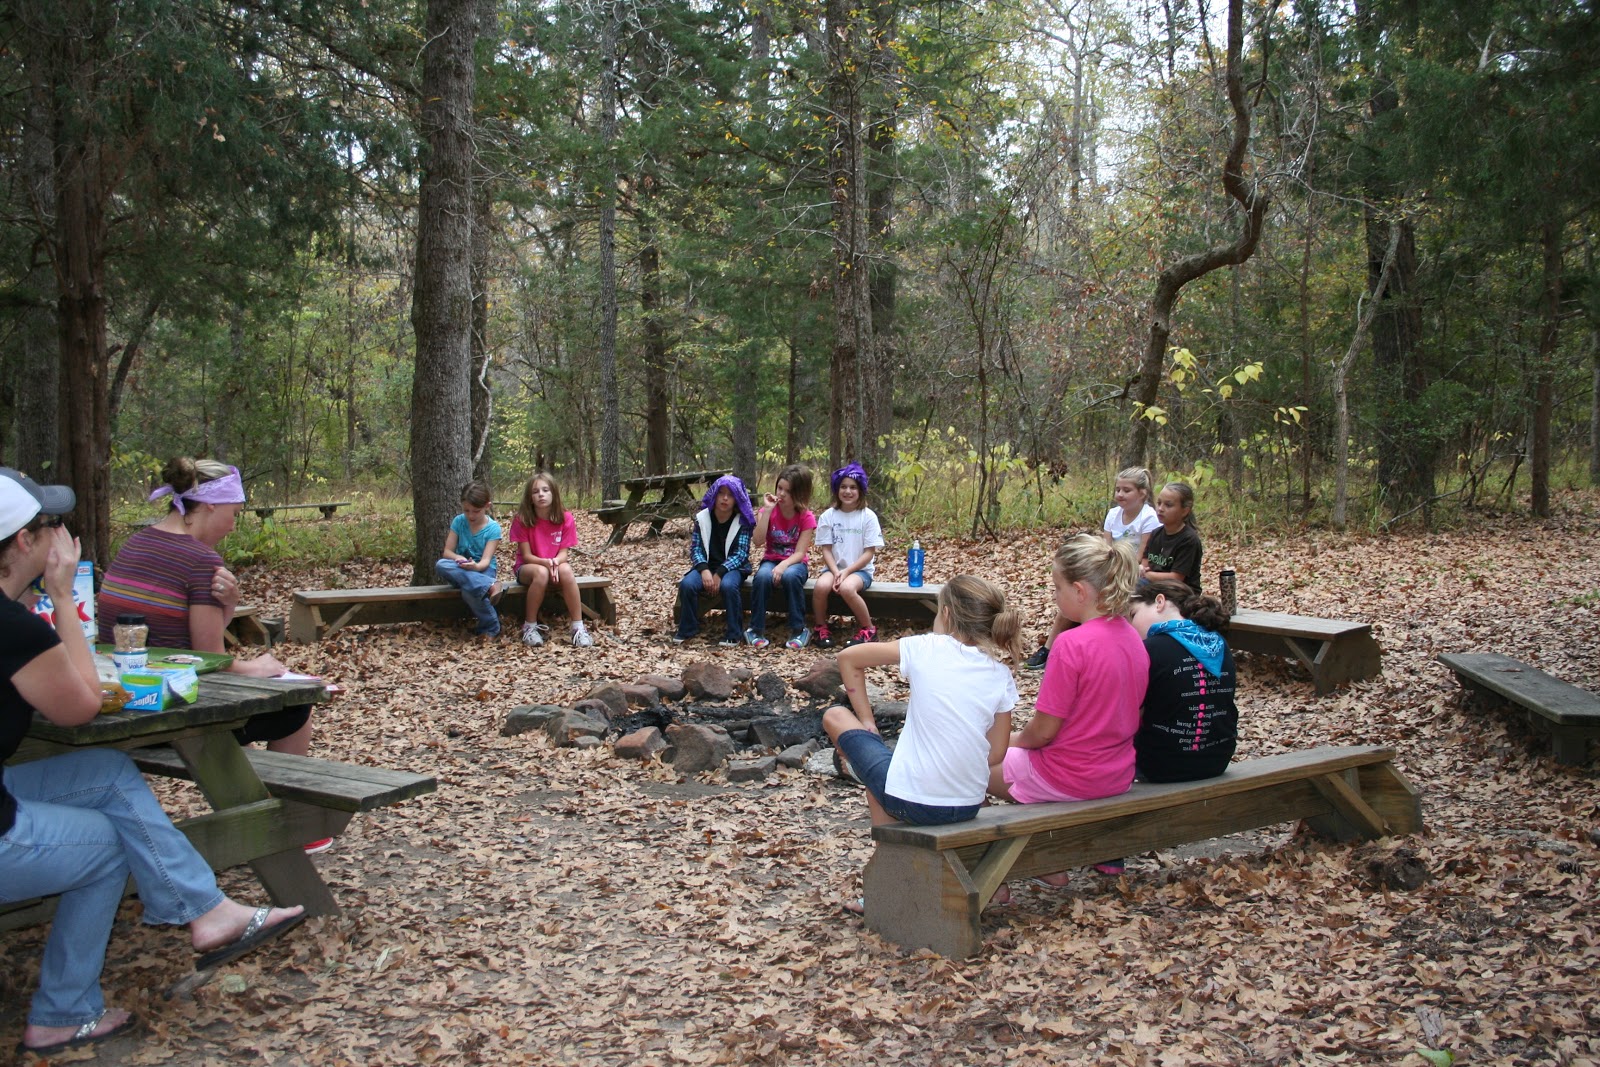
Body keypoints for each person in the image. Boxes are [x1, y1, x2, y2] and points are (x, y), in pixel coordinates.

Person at [0, 468, 304, 1057]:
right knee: (109, 843)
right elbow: (84, 705)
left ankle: (205, 909)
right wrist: (61, 597)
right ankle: (64, 1012)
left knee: (108, 771)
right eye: (48, 527)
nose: (60, 538)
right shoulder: (12, 629)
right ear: (22, 544)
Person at [825, 575, 1021, 913]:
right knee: (880, 784)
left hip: (911, 802)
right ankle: (986, 881)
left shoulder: (926, 647)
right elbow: (997, 754)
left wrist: (867, 721)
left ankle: (886, 889)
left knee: (834, 717)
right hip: (968, 804)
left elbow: (848, 658)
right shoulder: (1000, 674)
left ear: (945, 613)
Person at [98, 457, 311, 757]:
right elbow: (210, 662)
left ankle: (248, 794)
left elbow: (176, 637)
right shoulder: (201, 560)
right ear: (212, 504)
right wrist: (256, 668)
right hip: (164, 708)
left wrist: (229, 606)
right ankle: (293, 804)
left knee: (243, 733)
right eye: (234, 513)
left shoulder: (136, 543)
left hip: (120, 693)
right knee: (296, 710)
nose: (233, 527)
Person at [990, 535, 1148, 888]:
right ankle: (1095, 852)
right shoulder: (1133, 637)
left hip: (1069, 775)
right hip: (1117, 773)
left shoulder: (1070, 644)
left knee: (971, 764)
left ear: (1079, 591)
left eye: (1056, 588)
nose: (1054, 596)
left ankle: (1036, 859)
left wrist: (1008, 741)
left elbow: (1043, 732)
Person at [1025, 467, 1160, 670]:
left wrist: (1119, 573)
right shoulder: (1113, 515)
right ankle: (1049, 648)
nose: (1120, 495)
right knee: (1072, 595)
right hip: (1109, 567)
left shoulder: (1149, 517)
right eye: (1118, 489)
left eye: (1127, 490)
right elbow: (1105, 549)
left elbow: (1143, 553)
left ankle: (1130, 652)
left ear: (1142, 493)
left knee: (1123, 602)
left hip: (1133, 573)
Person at [1129, 580, 1238, 782]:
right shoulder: (1219, 643)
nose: (1132, 627)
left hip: (1162, 765)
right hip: (1218, 760)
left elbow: (1131, 715)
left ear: (1159, 601)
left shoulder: (1150, 648)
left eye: (1133, 614)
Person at [508, 472, 592, 649]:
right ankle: (529, 627)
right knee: (541, 572)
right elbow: (526, 556)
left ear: (553, 493)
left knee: (567, 570)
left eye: (545, 490)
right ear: (529, 497)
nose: (541, 494)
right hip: (527, 567)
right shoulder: (522, 519)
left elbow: (563, 554)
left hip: (555, 565)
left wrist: (554, 563)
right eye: (535, 491)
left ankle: (578, 627)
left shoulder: (565, 518)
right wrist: (547, 563)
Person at [673, 474, 755, 647]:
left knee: (728, 586)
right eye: (721, 493)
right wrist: (704, 570)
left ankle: (734, 633)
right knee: (687, 585)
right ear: (715, 495)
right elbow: (696, 548)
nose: (725, 498)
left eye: (730, 495)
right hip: (707, 566)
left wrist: (719, 573)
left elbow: (740, 554)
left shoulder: (742, 522)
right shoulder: (702, 518)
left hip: (733, 568)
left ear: (736, 499)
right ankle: (688, 628)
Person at [811, 463, 884, 649]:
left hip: (860, 571)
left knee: (847, 588)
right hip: (833, 568)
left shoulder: (868, 516)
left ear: (860, 490)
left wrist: (847, 572)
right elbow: (826, 549)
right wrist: (836, 572)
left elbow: (869, 552)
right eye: (843, 487)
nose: (848, 491)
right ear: (837, 490)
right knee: (820, 586)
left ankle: (868, 629)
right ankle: (821, 627)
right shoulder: (828, 516)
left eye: (853, 487)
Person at [745, 463, 817, 650]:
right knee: (761, 577)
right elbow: (758, 541)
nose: (782, 494)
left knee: (791, 577)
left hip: (795, 563)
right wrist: (767, 512)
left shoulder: (806, 517)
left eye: (788, 491)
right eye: (780, 488)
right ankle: (755, 629)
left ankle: (799, 629)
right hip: (770, 559)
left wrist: (783, 565)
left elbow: (800, 553)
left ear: (799, 493)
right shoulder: (767, 512)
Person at [434, 480, 504, 639]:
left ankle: (491, 627)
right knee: (441, 565)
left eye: (476, 511)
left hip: (483, 570)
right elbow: (447, 553)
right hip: (460, 568)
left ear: (487, 506)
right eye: (467, 510)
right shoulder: (459, 521)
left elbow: (486, 561)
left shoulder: (493, 528)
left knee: (469, 591)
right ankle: (491, 586)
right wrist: (458, 558)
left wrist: (475, 567)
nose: (471, 515)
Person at [1140, 481, 1203, 593]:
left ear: (1185, 511)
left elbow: (1176, 578)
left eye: (1168, 505)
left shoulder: (1189, 540)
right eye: (1159, 503)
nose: (1160, 508)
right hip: (1152, 587)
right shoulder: (1155, 533)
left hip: (1180, 593)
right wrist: (1141, 571)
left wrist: (1146, 574)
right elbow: (1145, 564)